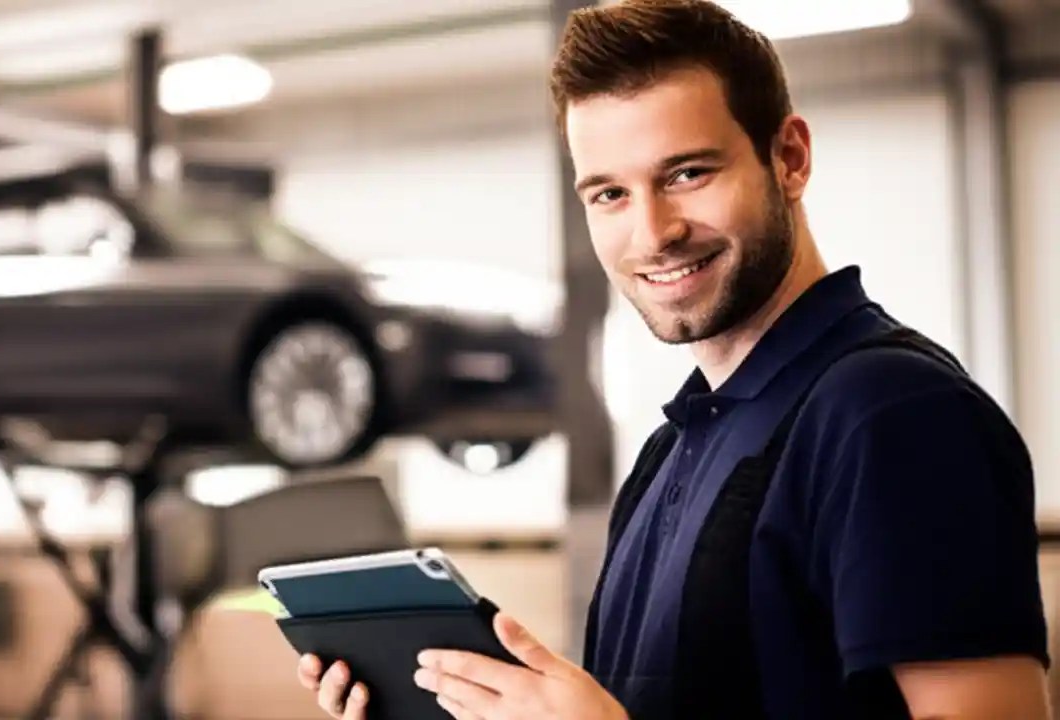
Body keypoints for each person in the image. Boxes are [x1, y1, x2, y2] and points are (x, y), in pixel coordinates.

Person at [294, 1, 1053, 717]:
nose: (652, 233)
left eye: (687, 174)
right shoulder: (672, 450)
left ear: (788, 158)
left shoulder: (892, 413)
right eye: (609, 195)